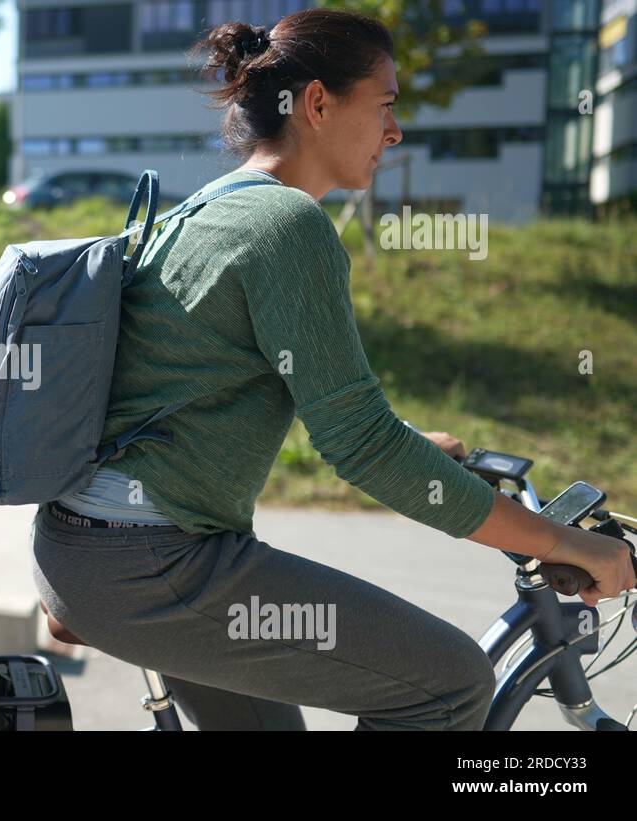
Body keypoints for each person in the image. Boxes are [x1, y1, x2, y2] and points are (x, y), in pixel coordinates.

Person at [31, 8, 636, 730]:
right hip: (157, 568)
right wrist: (567, 542)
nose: (395, 132)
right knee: (449, 683)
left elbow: (227, 389)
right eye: (384, 106)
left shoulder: (200, 212)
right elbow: (362, 447)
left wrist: (409, 442)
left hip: (77, 550)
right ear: (317, 104)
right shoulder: (290, 226)